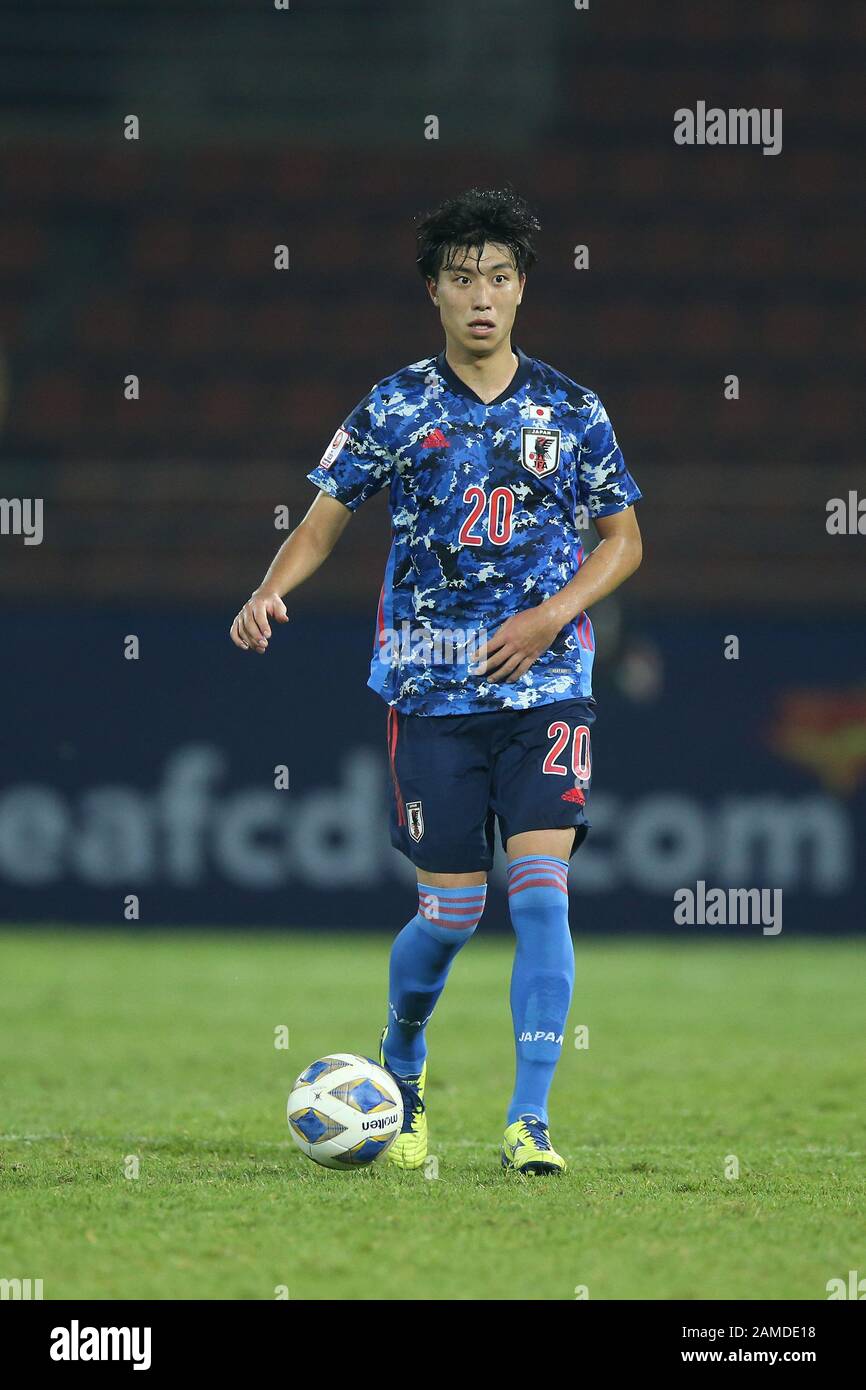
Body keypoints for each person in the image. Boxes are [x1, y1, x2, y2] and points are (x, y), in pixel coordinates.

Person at [231, 187, 643, 1174]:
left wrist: (549, 616)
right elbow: (322, 520)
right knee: (449, 916)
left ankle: (528, 1119)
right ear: (433, 292)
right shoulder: (393, 405)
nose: (481, 297)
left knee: (541, 892)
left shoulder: (572, 410)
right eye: (461, 279)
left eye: (497, 277)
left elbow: (622, 541)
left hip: (547, 684)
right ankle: (401, 1073)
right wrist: (267, 589)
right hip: (428, 686)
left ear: (520, 289)